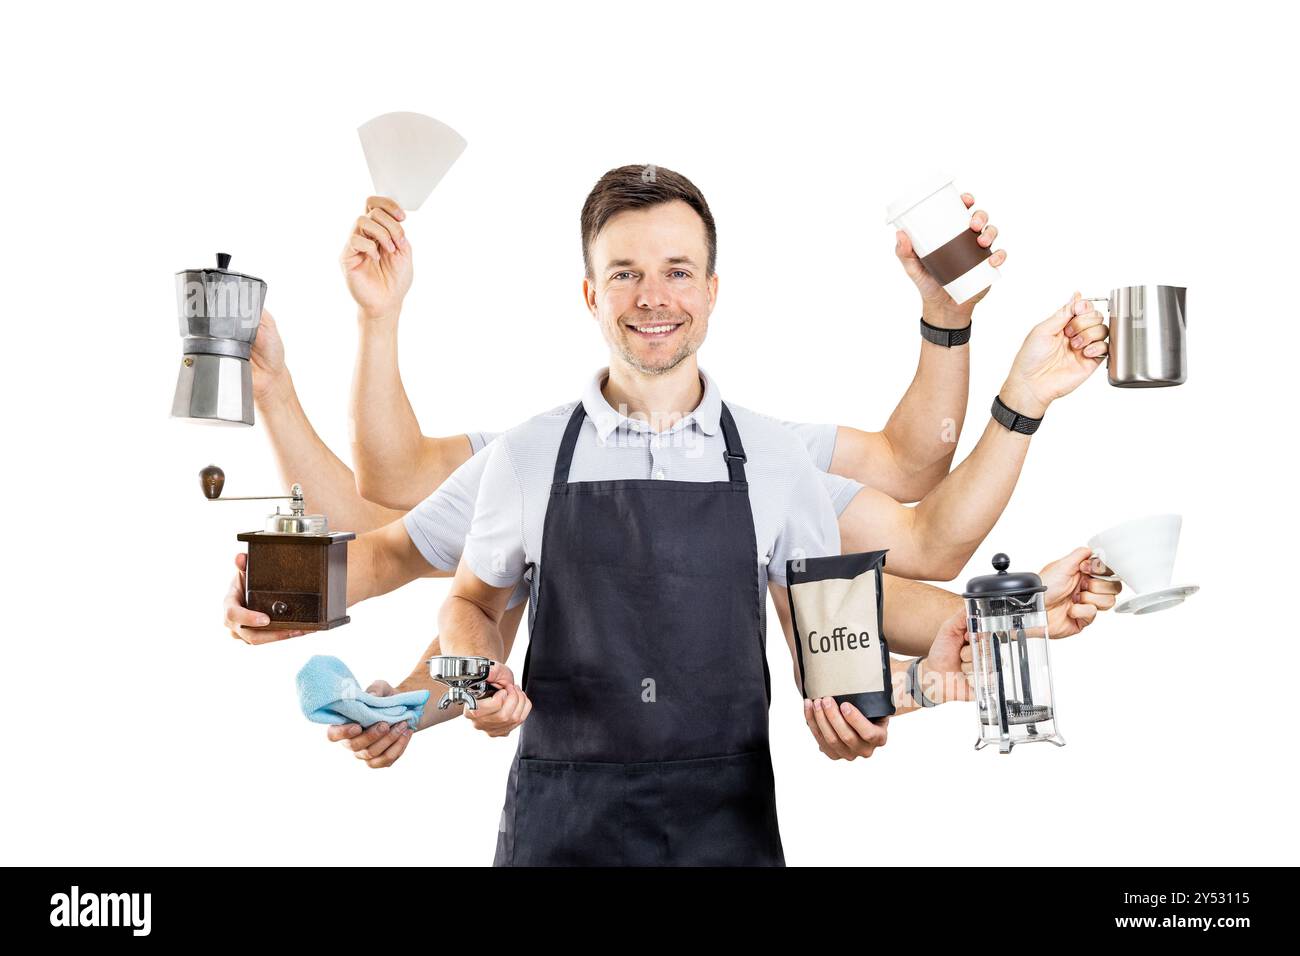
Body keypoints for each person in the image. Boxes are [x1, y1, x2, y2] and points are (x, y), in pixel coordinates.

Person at [424, 164, 1110, 865]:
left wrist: (915, 689)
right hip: (558, 836)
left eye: (679, 271)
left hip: (726, 837)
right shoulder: (526, 457)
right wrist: (473, 678)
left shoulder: (777, 462)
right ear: (590, 294)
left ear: (713, 291)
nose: (653, 297)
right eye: (625, 273)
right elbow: (469, 603)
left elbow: (837, 669)